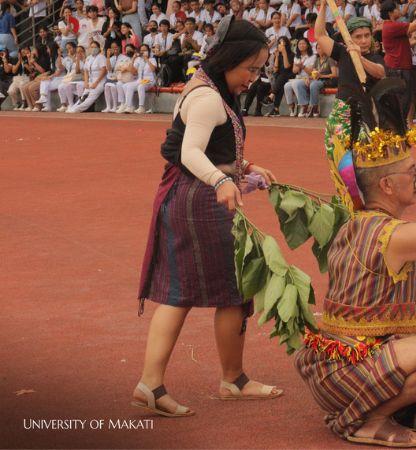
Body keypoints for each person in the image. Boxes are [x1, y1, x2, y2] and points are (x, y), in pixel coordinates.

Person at [296, 74, 416, 447]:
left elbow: (404, 250)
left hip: (337, 363)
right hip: (348, 372)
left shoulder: (362, 220)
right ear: (386, 186)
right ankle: (368, 418)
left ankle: (390, 406)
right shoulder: (398, 234)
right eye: (411, 173)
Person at [135, 17, 281, 419]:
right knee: (233, 288)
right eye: (250, 68)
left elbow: (209, 145)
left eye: (259, 69)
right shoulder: (208, 97)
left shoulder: (211, 88)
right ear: (229, 60)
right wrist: (222, 180)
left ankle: (155, 383)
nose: (254, 77)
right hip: (198, 198)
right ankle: (230, 380)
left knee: (182, 291)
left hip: (191, 194)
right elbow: (191, 154)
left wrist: (245, 167)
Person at [314, 0, 386, 123]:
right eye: (358, 37)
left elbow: (380, 73)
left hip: (368, 110)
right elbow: (320, 35)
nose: (364, 41)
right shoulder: (342, 52)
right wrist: (324, 6)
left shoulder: (375, 57)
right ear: (349, 39)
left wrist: (360, 58)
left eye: (367, 35)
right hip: (343, 109)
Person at [67, 40, 107, 112]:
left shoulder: (101, 57)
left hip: (100, 80)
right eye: (91, 47)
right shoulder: (89, 58)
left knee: (91, 96)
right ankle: (74, 107)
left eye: (95, 47)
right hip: (90, 80)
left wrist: (96, 83)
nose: (93, 49)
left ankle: (78, 109)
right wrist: (86, 81)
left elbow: (104, 71)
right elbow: (85, 70)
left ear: (99, 48)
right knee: (84, 95)